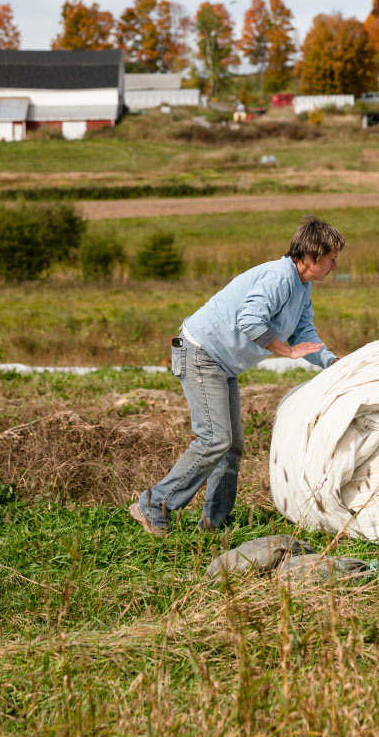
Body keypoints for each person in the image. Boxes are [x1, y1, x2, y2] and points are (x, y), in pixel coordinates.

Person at [129, 215, 344, 536]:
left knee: (231, 446)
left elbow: (304, 335)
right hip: (201, 353)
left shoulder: (302, 287)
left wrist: (333, 362)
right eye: (331, 259)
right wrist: (284, 351)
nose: (335, 267)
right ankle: (154, 504)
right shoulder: (278, 278)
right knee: (214, 439)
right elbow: (250, 320)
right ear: (312, 257)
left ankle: (215, 522)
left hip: (221, 363)